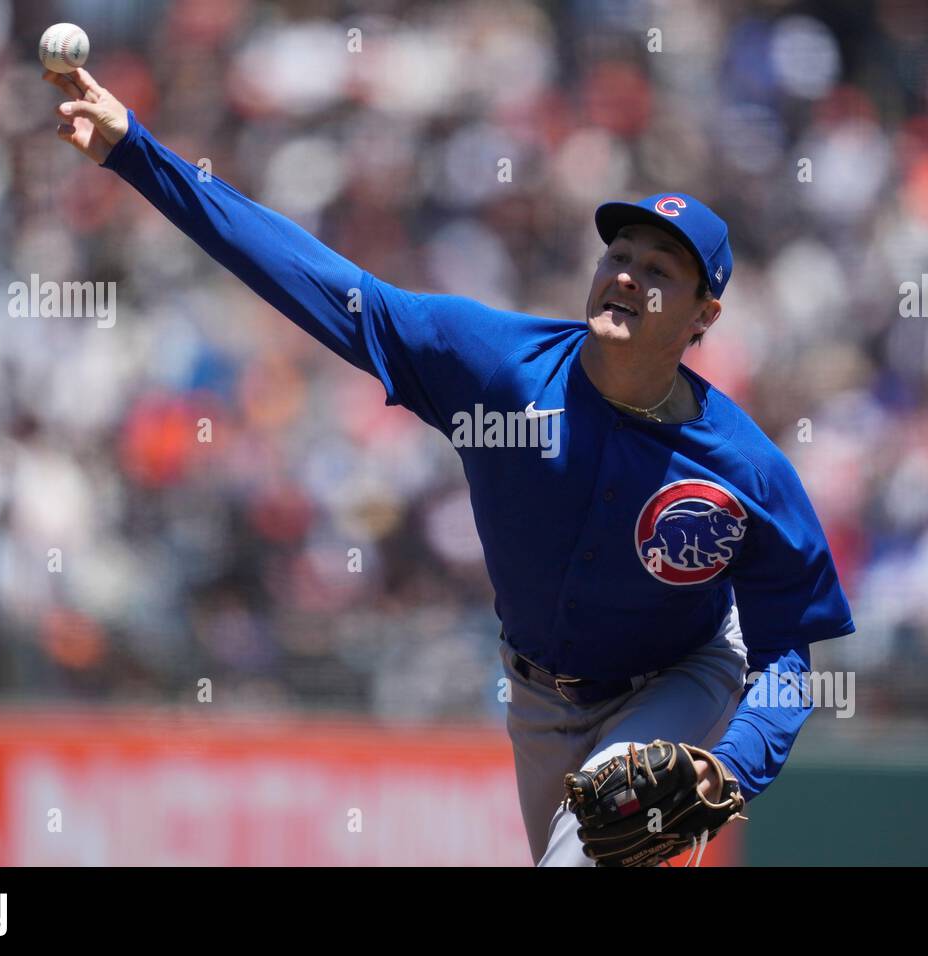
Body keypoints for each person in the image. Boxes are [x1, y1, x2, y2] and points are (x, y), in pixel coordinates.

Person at [44, 68, 855, 866]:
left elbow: (788, 652)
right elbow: (318, 283)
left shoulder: (744, 468)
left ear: (703, 315)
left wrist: (729, 764)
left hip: (681, 678)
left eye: (658, 271)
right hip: (537, 695)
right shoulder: (493, 368)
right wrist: (135, 152)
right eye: (620, 253)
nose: (625, 276)